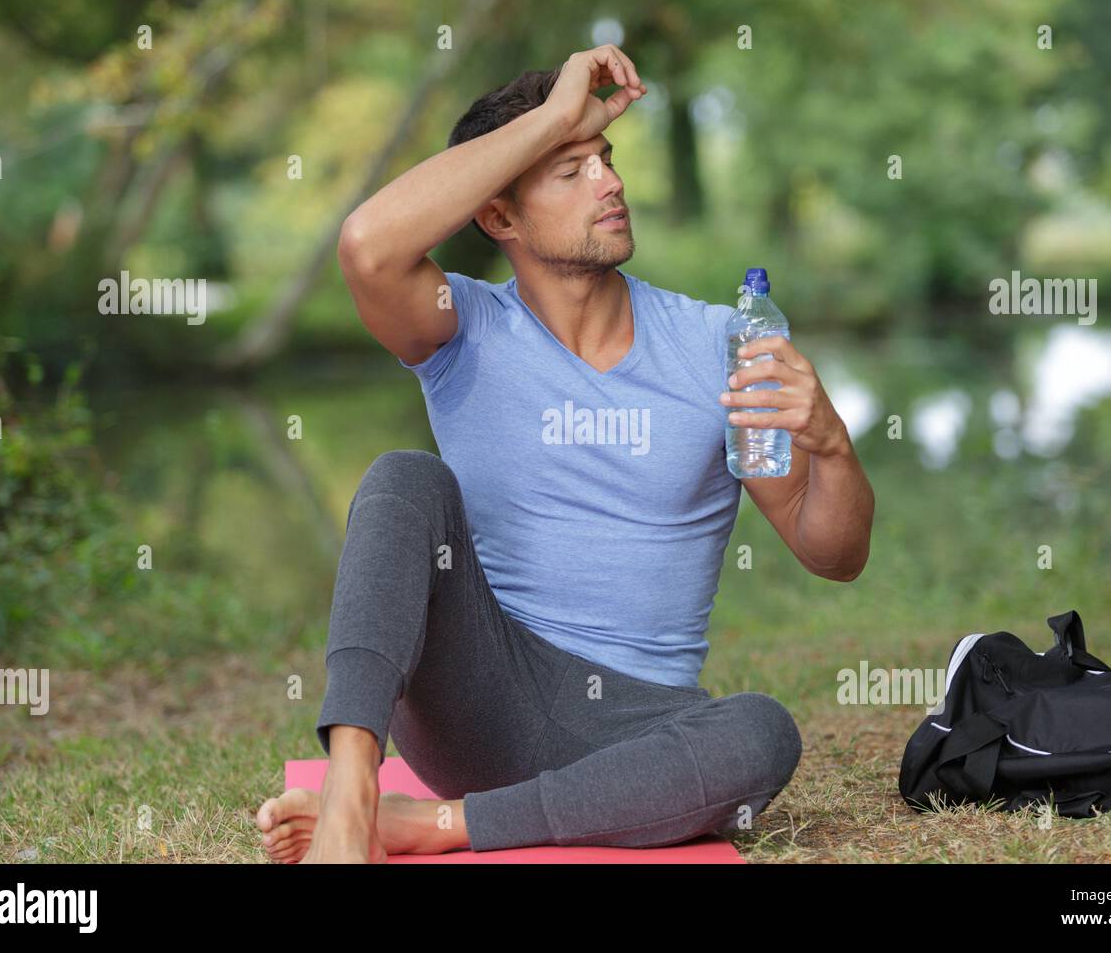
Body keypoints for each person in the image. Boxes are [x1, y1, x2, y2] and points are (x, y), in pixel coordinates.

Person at [256, 44, 875, 863]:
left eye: (606, 161)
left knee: (762, 731)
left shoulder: (723, 343)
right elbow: (368, 245)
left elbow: (831, 552)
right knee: (403, 477)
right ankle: (352, 792)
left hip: (637, 724)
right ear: (499, 215)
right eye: (569, 169)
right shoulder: (460, 326)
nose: (610, 184)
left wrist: (831, 445)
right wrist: (553, 116)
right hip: (484, 695)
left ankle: (433, 826)